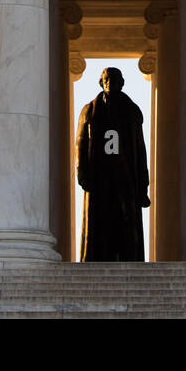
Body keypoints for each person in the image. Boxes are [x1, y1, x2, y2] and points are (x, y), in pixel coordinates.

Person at [75, 67, 150, 261]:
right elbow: (80, 144)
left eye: (114, 79)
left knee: (125, 220)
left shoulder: (132, 112)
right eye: (107, 79)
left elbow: (140, 149)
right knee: (100, 219)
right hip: (99, 176)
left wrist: (143, 185)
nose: (110, 82)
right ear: (101, 83)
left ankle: (128, 258)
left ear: (122, 83)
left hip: (125, 175)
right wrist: (82, 174)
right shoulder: (89, 110)